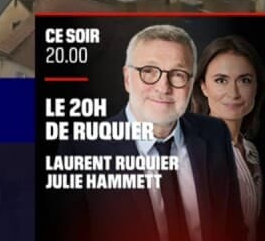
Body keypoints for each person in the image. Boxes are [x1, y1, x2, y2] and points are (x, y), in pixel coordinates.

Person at [56, 24, 247, 241]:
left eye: (178, 74)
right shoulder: (82, 149)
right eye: (149, 71)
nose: (163, 87)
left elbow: (234, 228)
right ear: (127, 78)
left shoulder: (215, 134)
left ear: (191, 83)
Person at [192, 36, 264, 241]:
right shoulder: (189, 153)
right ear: (204, 86)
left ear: (256, 87)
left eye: (245, 80)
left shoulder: (250, 151)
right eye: (221, 80)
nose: (233, 93)